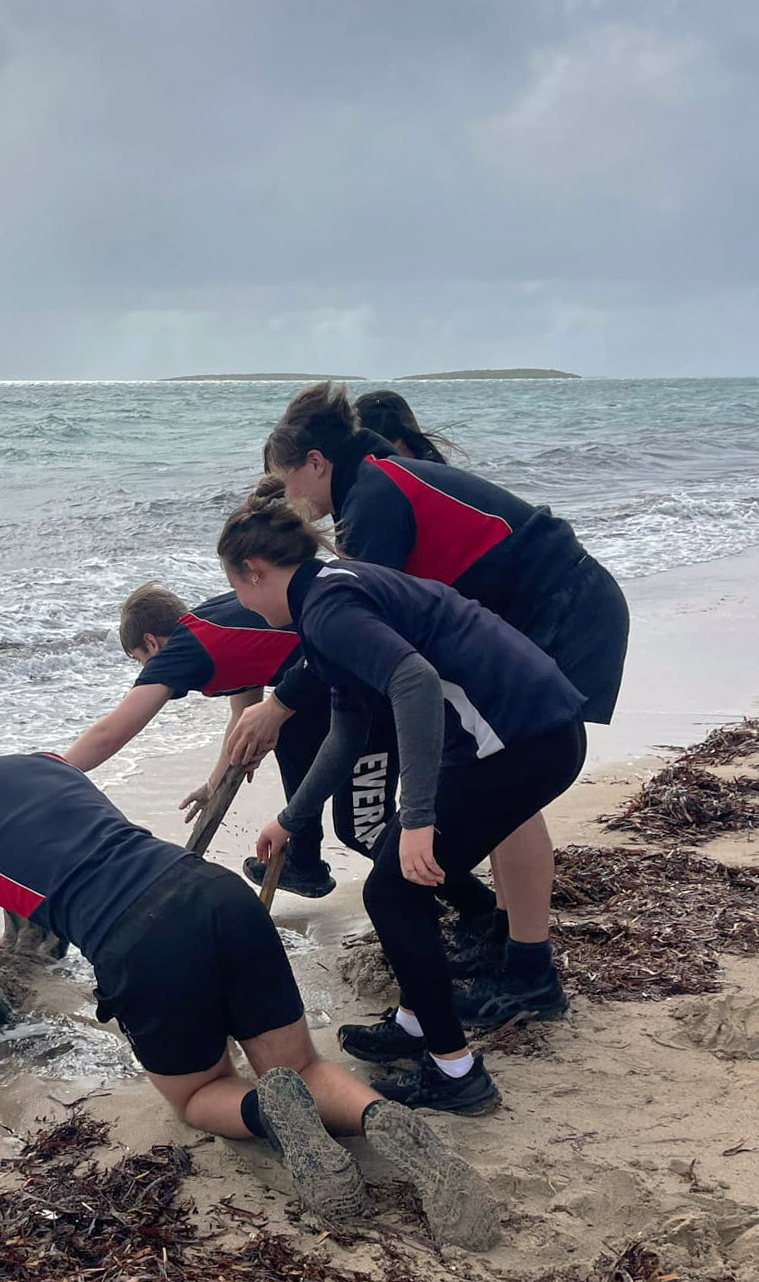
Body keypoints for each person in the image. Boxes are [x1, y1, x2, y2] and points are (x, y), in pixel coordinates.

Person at [0, 704, 500, 1252]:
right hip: (211, 892)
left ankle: (269, 1111)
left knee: (198, 1093)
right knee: (300, 1064)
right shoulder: (42, 765)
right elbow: (75, 804)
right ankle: (381, 1120)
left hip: (137, 941)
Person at [228, 381, 627, 1053]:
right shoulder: (373, 483)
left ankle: (527, 966)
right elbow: (351, 667)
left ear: (316, 463)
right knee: (499, 783)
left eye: (284, 479)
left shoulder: (375, 499)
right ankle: (504, 940)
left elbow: (353, 632)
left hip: (561, 604)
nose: (285, 499)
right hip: (525, 614)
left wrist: (282, 701)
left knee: (511, 784)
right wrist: (296, 813)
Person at [217, 491, 588, 1114]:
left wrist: (417, 819)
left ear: (254, 571)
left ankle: (456, 1072)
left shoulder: (327, 606)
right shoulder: (325, 594)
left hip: (522, 739)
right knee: (397, 877)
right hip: (518, 732)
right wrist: (291, 819)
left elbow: (412, 680)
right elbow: (349, 731)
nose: (244, 605)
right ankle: (418, 1024)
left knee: (393, 891)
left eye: (238, 588)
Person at [63, 581, 399, 899]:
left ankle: (427, 886)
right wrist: (214, 785)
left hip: (370, 684)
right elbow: (244, 715)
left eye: (140, 660)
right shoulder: (215, 632)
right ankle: (304, 862)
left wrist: (53, 771)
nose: (146, 670)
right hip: (337, 676)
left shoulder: (183, 648)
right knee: (289, 731)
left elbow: (110, 733)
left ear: (152, 642)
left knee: (361, 828)